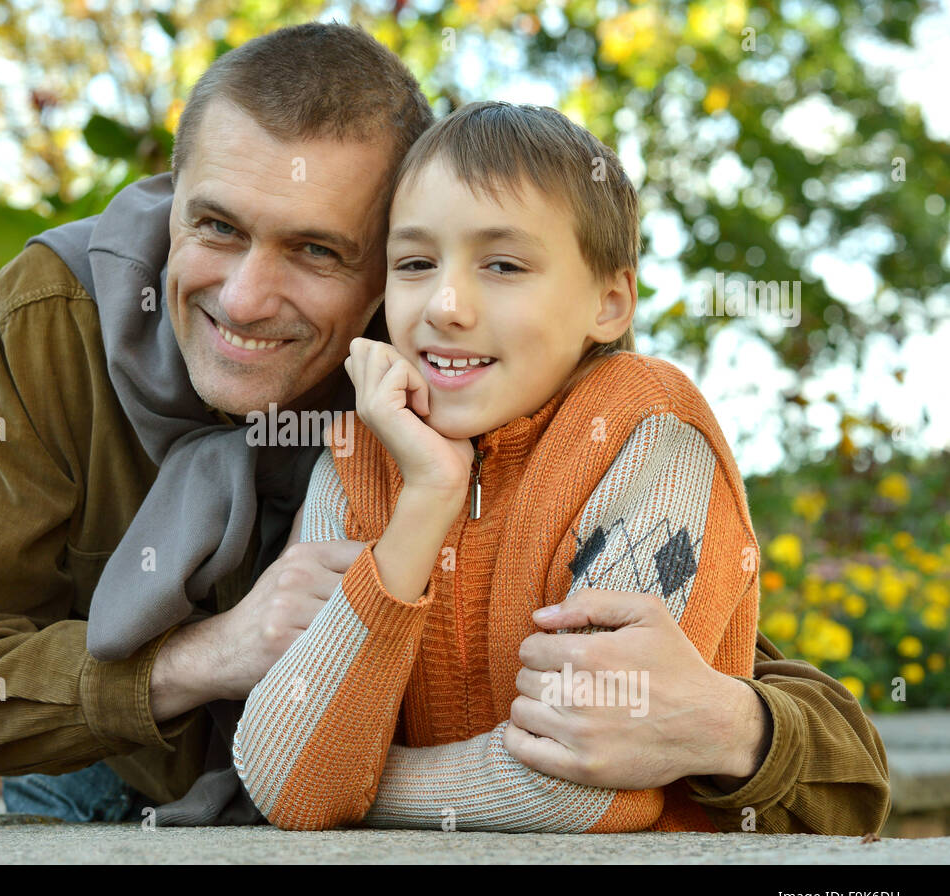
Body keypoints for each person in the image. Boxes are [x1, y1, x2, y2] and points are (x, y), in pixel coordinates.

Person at [0, 23, 890, 834]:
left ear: (392, 259)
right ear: (173, 200)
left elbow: (749, 692)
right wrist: (209, 654)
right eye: (214, 225)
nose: (247, 297)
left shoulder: (481, 380)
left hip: (387, 790)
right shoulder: (61, 317)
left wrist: (731, 726)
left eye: (315, 250)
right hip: (117, 777)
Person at [234, 100, 765, 832]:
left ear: (610, 302)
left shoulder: (651, 432)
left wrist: (351, 785)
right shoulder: (361, 451)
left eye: (504, 264)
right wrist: (428, 492)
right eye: (416, 263)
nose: (446, 306)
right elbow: (281, 779)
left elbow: (582, 781)